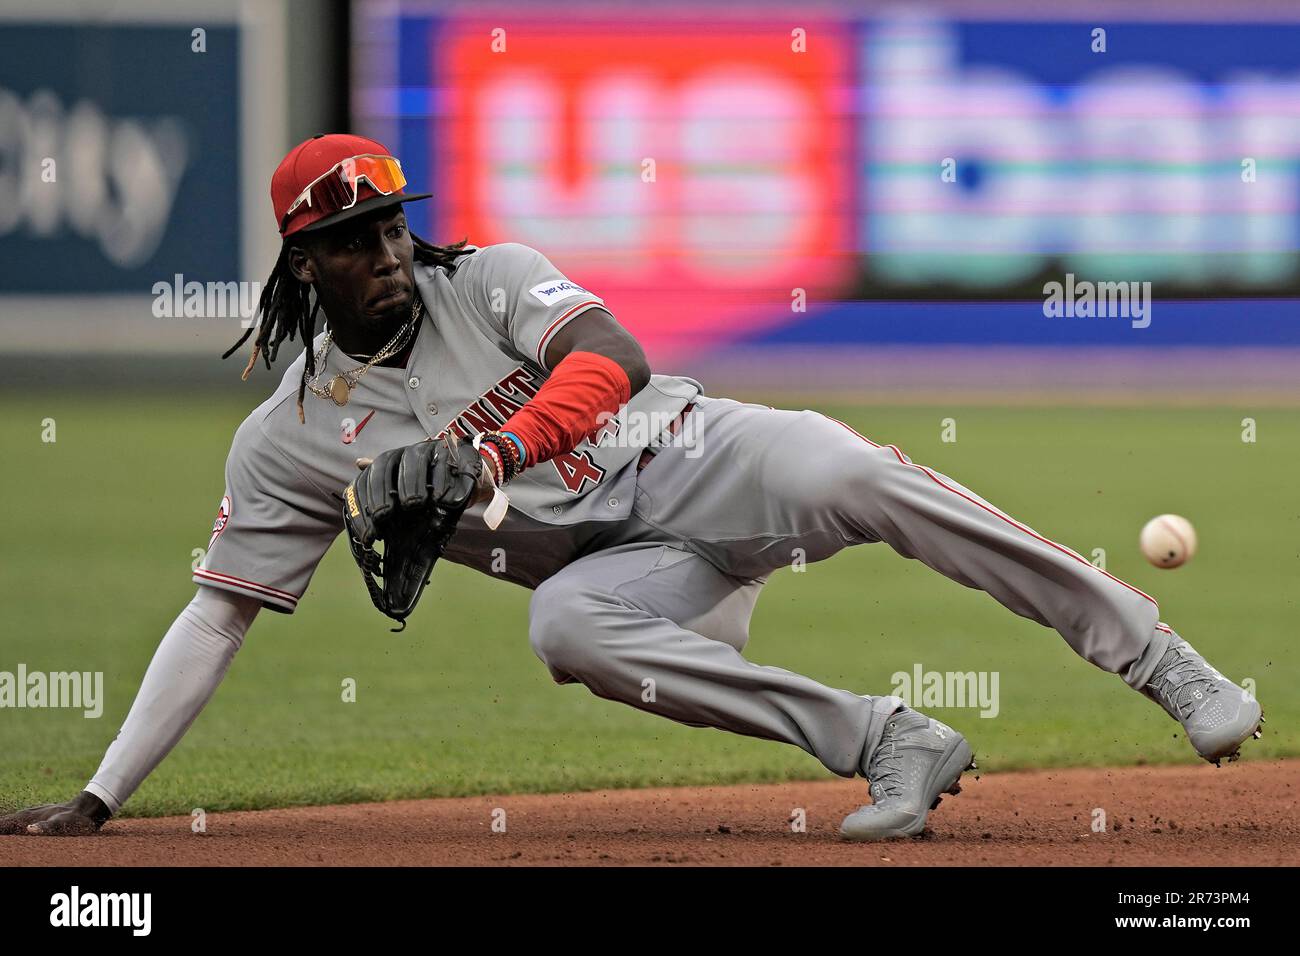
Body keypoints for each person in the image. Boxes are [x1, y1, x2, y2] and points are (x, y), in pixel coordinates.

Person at [0, 134, 1263, 842]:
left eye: (390, 224)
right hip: (634, 576)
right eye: (350, 238)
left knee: (851, 467)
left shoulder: (486, 277)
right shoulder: (287, 439)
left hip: (696, 455)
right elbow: (218, 611)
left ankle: (1163, 664)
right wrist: (107, 792)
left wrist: (490, 454)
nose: (384, 251)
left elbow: (615, 359)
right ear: (302, 262)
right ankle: (892, 742)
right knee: (562, 626)